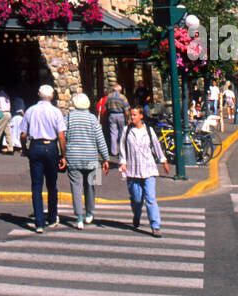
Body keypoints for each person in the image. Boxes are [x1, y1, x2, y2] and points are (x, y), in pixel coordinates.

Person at [20, 84, 67, 232]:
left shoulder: (30, 110)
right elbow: (61, 136)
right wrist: (63, 155)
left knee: (36, 185)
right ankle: (52, 217)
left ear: (38, 95)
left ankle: (39, 222)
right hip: (51, 147)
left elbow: (23, 134)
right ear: (52, 96)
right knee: (52, 185)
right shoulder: (56, 112)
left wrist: (24, 147)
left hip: (35, 145)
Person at [118, 106, 171, 237]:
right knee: (136, 199)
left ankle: (155, 225)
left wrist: (163, 161)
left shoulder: (149, 130)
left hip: (148, 169)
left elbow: (156, 146)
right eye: (131, 115)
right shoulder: (126, 130)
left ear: (141, 116)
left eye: (135, 115)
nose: (132, 117)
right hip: (133, 170)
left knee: (150, 198)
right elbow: (122, 148)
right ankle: (136, 215)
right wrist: (123, 162)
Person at [65, 94, 109, 228]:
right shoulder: (92, 118)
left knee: (76, 187)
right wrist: (105, 158)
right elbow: (100, 139)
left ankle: (79, 218)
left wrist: (62, 154)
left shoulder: (68, 118)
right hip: (91, 158)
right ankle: (89, 213)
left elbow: (63, 136)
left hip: (73, 157)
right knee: (91, 186)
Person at [104, 84, 130, 160]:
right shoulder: (122, 97)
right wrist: (128, 119)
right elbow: (126, 109)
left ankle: (114, 151)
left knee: (113, 133)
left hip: (111, 115)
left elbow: (105, 107)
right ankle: (123, 150)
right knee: (122, 132)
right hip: (121, 115)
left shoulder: (109, 97)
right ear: (120, 90)